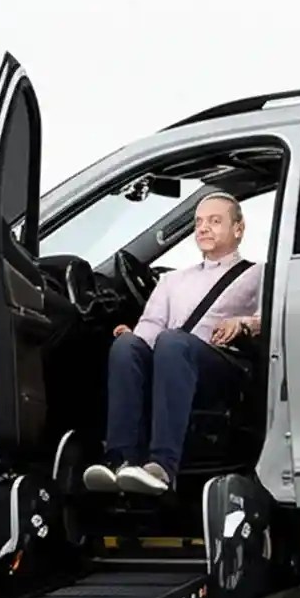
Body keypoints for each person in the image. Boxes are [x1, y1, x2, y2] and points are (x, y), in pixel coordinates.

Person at [83, 191, 263, 495]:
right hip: (172, 358)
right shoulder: (172, 280)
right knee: (127, 347)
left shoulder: (257, 273)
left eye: (214, 221)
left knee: (173, 342)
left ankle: (162, 467)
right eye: (199, 222)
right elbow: (151, 325)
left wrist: (242, 323)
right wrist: (133, 338)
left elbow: (271, 316)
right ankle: (120, 461)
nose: (203, 228)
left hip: (219, 367)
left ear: (238, 228)